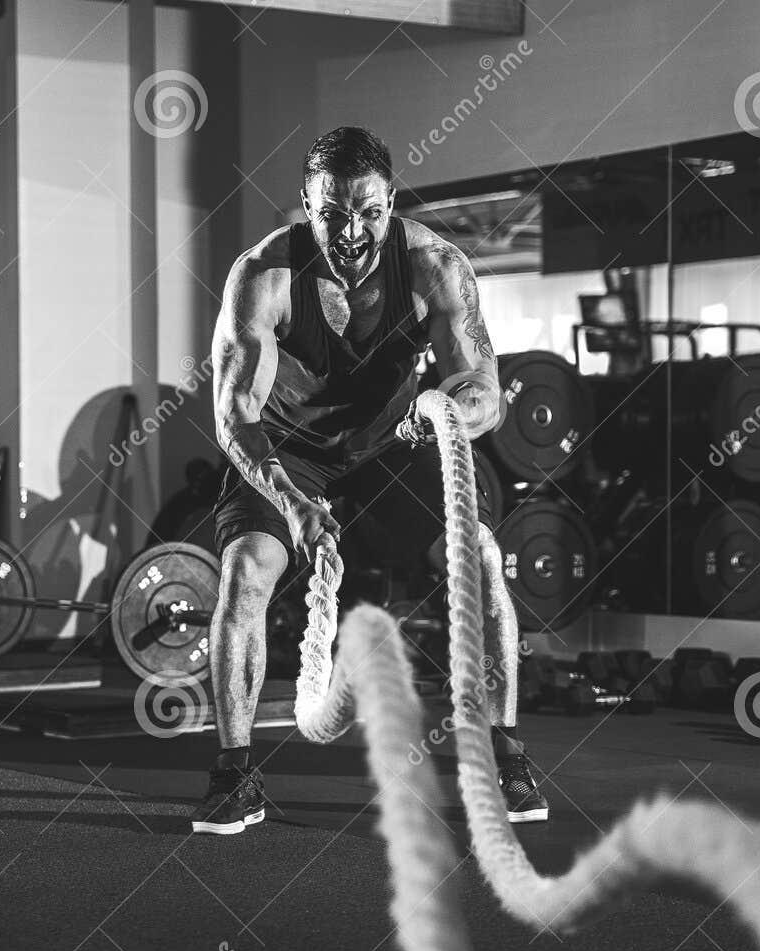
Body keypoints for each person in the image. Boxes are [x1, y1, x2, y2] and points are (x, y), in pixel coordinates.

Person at [194, 125, 547, 835]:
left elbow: (487, 391)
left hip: (393, 444)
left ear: (391, 201)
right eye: (332, 214)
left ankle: (509, 755)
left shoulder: (433, 267)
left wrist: (445, 407)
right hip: (288, 450)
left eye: (369, 211)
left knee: (479, 558)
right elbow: (235, 416)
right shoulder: (264, 276)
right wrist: (292, 505)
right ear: (305, 205)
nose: (352, 231)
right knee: (244, 573)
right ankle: (235, 775)